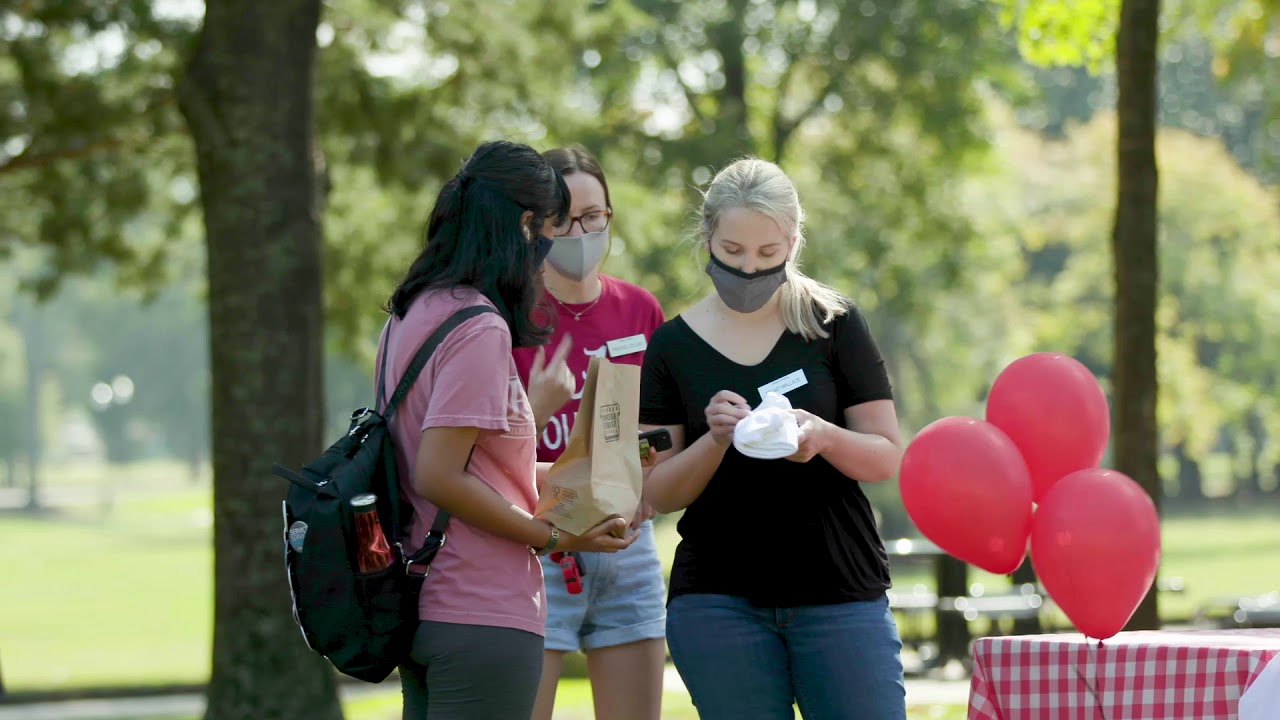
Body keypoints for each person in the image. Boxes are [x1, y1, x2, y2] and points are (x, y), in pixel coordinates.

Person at [637, 157, 908, 720]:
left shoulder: (834, 323)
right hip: (717, 600)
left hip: (839, 592)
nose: (749, 269)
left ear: (792, 240)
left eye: (767, 254)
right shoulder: (670, 348)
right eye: (732, 252)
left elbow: (886, 457)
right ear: (707, 237)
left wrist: (824, 437)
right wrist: (712, 440)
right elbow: (657, 493)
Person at [378, 140, 637, 720]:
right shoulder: (478, 327)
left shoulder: (412, 310)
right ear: (524, 226)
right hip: (481, 609)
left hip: (425, 602)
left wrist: (584, 476)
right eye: (551, 227)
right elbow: (439, 474)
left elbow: (470, 467)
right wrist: (550, 537)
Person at [512, 146, 669, 720]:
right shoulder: (508, 314)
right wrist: (536, 406)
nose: (582, 232)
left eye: (595, 216)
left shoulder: (640, 310)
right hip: (535, 546)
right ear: (536, 226)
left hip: (627, 547)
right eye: (564, 219)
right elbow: (476, 457)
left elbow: (660, 432)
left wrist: (651, 477)